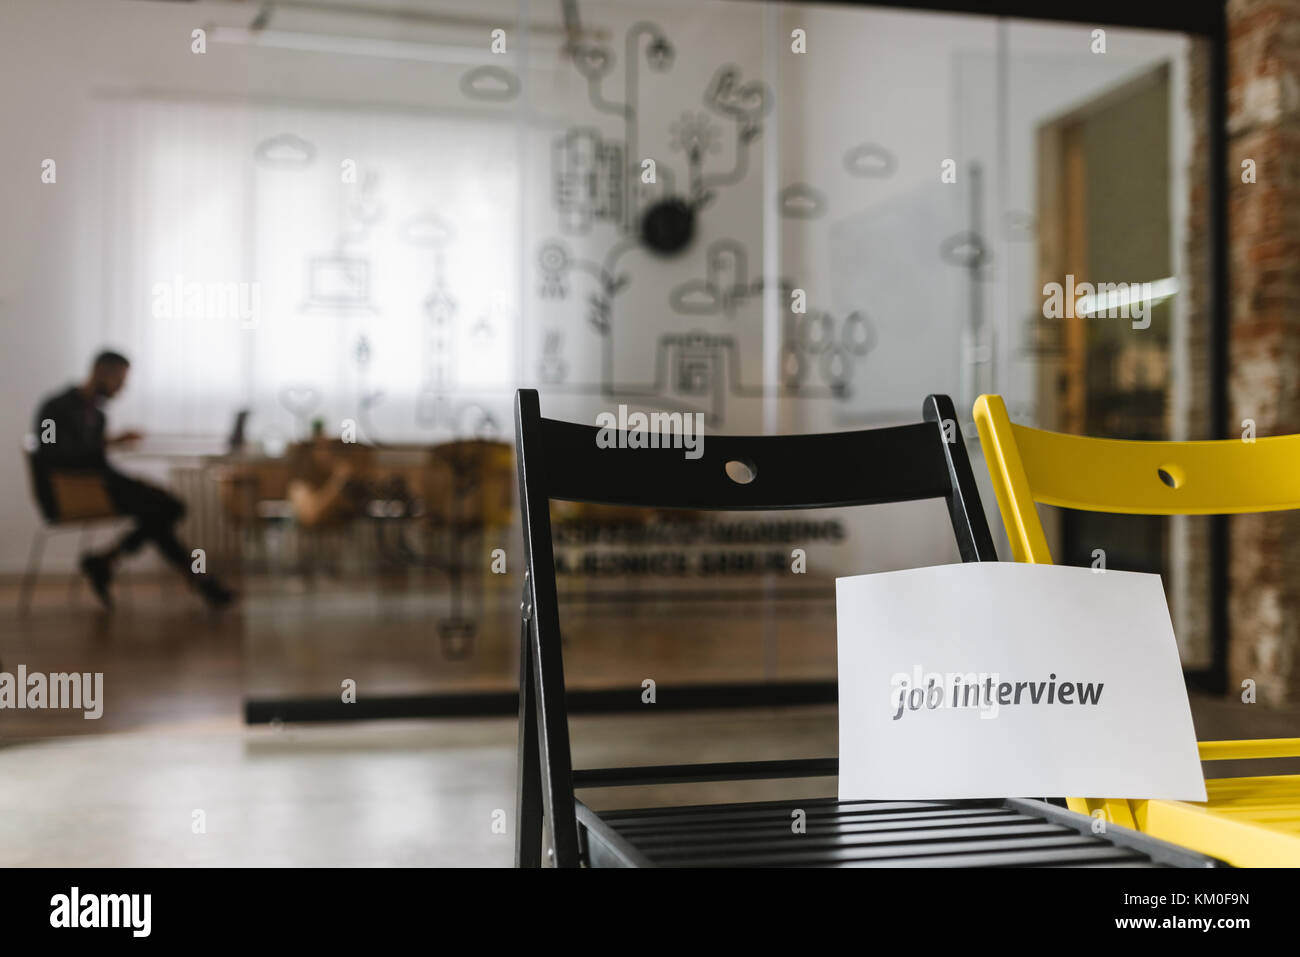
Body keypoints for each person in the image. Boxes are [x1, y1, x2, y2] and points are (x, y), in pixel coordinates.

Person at [31, 350, 235, 609]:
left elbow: (98, 461)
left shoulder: (97, 414)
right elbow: (51, 453)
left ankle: (110, 560)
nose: (122, 388)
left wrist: (131, 477)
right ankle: (197, 578)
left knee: (165, 507)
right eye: (120, 380)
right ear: (101, 373)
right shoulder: (55, 409)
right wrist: (108, 442)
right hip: (73, 492)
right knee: (164, 508)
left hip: (101, 484)